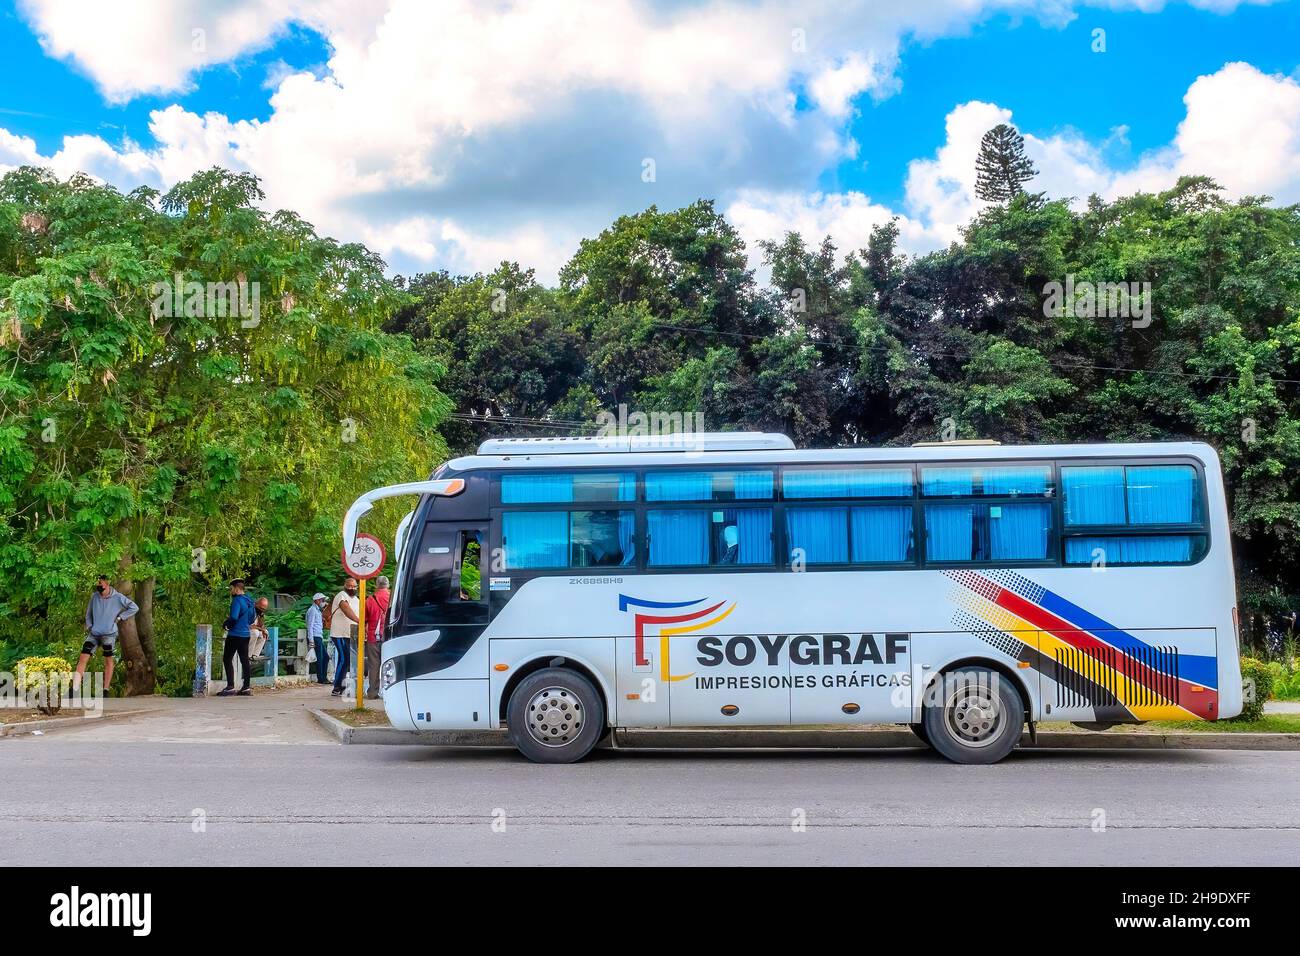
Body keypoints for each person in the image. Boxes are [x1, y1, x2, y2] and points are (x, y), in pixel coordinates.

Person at [75, 575, 139, 693]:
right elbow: (88, 614)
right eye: (97, 584)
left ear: (107, 583)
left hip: (109, 635)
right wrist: (90, 626)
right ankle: (74, 688)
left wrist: (120, 617)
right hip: (94, 634)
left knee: (108, 660)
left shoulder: (118, 597)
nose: (99, 586)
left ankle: (105, 689)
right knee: (83, 657)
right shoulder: (94, 597)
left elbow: (134, 607)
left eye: (100, 583)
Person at [219, 579, 257, 697]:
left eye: (231, 589)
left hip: (235, 635)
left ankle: (230, 687)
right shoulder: (250, 601)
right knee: (244, 661)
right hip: (246, 635)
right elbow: (252, 619)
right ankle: (246, 687)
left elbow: (234, 617)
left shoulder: (236, 600)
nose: (231, 591)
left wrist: (227, 624)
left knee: (227, 659)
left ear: (236, 588)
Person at [329, 578, 360, 697]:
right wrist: (359, 621)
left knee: (347, 660)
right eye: (349, 586)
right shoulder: (341, 596)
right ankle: (337, 687)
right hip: (339, 633)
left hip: (350, 634)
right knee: (344, 658)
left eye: (354, 586)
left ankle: (341, 685)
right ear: (345, 586)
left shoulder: (356, 600)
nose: (352, 588)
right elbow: (346, 610)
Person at [364, 576, 391, 699]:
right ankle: (389, 692)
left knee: (374, 665)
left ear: (376, 585)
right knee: (390, 665)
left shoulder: (369, 600)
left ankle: (373, 693)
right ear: (388, 585)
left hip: (373, 638)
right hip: (390, 637)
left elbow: (364, 619)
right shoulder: (393, 598)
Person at [306, 593, 329, 684]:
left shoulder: (318, 611)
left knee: (325, 657)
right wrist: (311, 640)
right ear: (317, 600)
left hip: (319, 636)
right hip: (315, 637)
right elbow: (310, 626)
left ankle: (323, 677)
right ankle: (321, 678)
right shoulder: (312, 610)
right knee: (321, 658)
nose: (323, 602)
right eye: (322, 600)